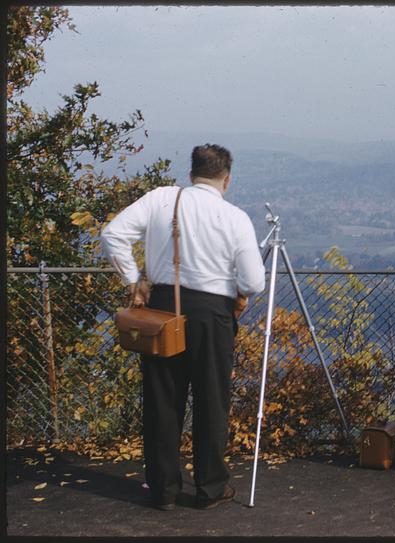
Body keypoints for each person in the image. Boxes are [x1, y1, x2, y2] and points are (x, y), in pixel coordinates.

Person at [101, 144, 266, 510]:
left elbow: (113, 235)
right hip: (213, 316)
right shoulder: (234, 217)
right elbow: (255, 282)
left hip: (162, 312)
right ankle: (210, 488)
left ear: (190, 174)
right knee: (211, 403)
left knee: (162, 402)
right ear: (227, 179)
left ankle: (163, 490)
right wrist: (236, 289)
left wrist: (134, 281)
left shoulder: (162, 199)